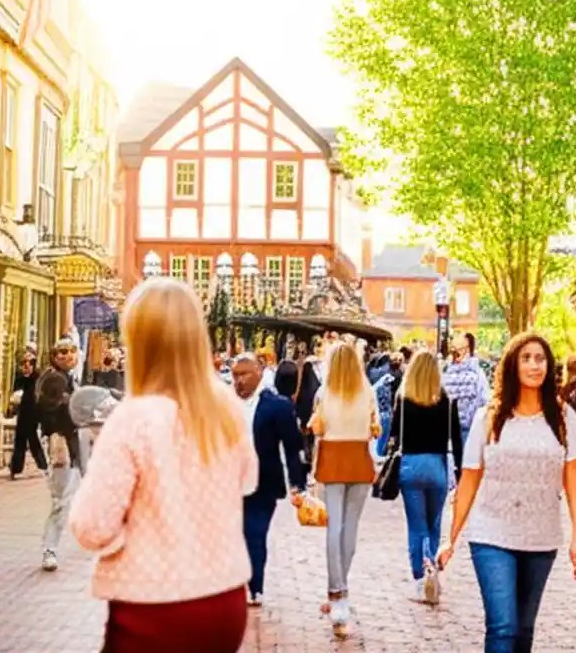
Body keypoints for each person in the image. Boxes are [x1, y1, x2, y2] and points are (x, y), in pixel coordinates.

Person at [70, 278, 258, 652]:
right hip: (223, 595)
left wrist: (129, 530)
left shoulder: (134, 419)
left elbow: (92, 526)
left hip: (153, 603)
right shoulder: (226, 410)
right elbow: (247, 480)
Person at [437, 332, 576, 653]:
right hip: (491, 533)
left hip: (542, 536)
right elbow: (469, 480)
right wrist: (451, 537)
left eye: (541, 359)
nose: (535, 365)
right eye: (526, 358)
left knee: (523, 631)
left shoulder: (562, 419)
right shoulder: (488, 417)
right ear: (512, 366)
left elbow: (573, 478)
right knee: (503, 627)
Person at [307, 343, 378, 635]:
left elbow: (317, 428)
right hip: (360, 460)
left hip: (333, 460)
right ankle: (342, 590)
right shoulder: (368, 391)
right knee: (350, 529)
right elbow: (376, 428)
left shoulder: (325, 393)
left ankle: (337, 593)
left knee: (334, 528)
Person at [231, 352, 307, 606]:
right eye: (235, 375)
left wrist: (298, 484)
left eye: (245, 374)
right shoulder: (224, 404)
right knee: (234, 535)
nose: (239, 380)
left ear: (259, 373)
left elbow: (291, 446)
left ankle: (255, 587)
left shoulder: (277, 405)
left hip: (264, 481)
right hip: (230, 481)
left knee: (255, 532)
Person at [391, 350, 463, 603]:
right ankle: (431, 566)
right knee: (434, 524)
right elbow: (456, 438)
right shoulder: (447, 401)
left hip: (411, 464)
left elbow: (393, 436)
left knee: (416, 526)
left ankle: (421, 578)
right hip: (437, 465)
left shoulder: (404, 399)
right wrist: (460, 472)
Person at [36, 341, 82, 572]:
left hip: (76, 443)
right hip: (61, 444)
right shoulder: (53, 379)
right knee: (61, 499)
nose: (68, 356)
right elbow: (47, 408)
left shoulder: (72, 377)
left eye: (72, 351)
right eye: (62, 352)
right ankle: (49, 549)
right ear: (54, 356)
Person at [9, 352, 48, 479]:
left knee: (33, 440)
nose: (27, 366)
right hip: (22, 412)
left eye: (30, 363)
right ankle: (15, 468)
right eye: (24, 363)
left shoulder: (37, 378)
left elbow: (39, 396)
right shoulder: (19, 378)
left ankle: (43, 466)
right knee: (20, 440)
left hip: (33, 413)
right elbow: (15, 393)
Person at [372, 352, 405, 457]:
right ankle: (381, 454)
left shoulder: (378, 372)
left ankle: (380, 453)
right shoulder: (396, 374)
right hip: (388, 407)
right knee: (385, 434)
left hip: (382, 406)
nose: (398, 362)